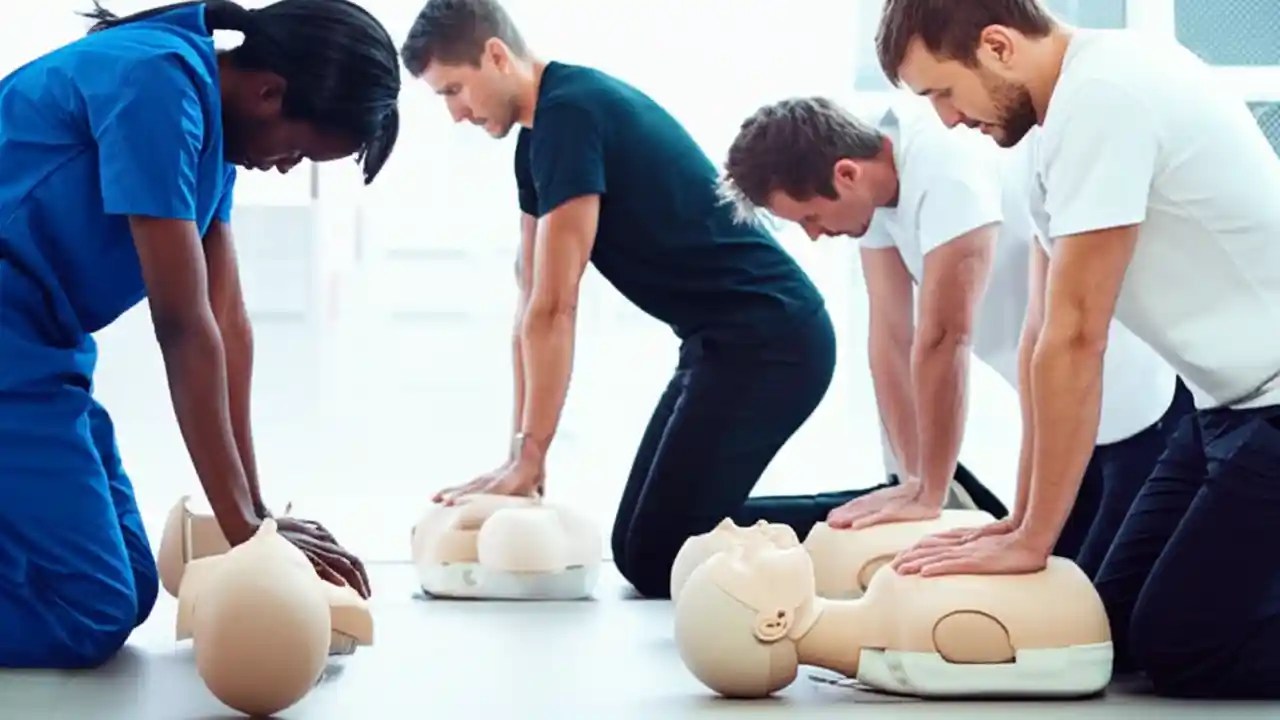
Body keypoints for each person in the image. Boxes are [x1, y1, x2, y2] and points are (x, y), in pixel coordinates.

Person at [874, 0, 1280, 699]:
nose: (946, 119)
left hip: (1271, 407)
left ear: (998, 46)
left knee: (1185, 648)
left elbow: (1078, 337)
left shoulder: (1105, 96)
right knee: (1107, 625)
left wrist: (1034, 543)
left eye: (942, 91)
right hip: (1221, 408)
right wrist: (1020, 520)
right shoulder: (1056, 122)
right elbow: (1040, 330)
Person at [0, 0, 401, 669]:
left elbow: (227, 327)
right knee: (87, 610)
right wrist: (245, 534)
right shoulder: (158, 85)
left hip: (40, 344)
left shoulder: (210, 132)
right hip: (10, 334)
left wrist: (259, 516)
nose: (285, 166)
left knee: (128, 586)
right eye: (298, 149)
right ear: (270, 91)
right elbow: (183, 328)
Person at [399, 0, 840, 599]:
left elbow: (558, 307)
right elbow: (530, 304)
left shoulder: (572, 115)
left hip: (774, 338)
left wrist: (532, 454)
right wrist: (521, 461)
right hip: (718, 343)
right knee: (638, 546)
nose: (455, 113)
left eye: (455, 89)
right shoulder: (536, 143)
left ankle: (878, 516)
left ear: (496, 56)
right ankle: (852, 514)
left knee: (663, 552)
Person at [719, 96, 1192, 579]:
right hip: (1065, 421)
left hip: (1142, 402)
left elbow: (945, 337)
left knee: (1105, 606)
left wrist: (932, 492)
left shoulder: (945, 164)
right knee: (1052, 588)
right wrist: (913, 479)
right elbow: (891, 339)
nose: (815, 235)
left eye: (809, 218)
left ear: (845, 175)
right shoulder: (875, 188)